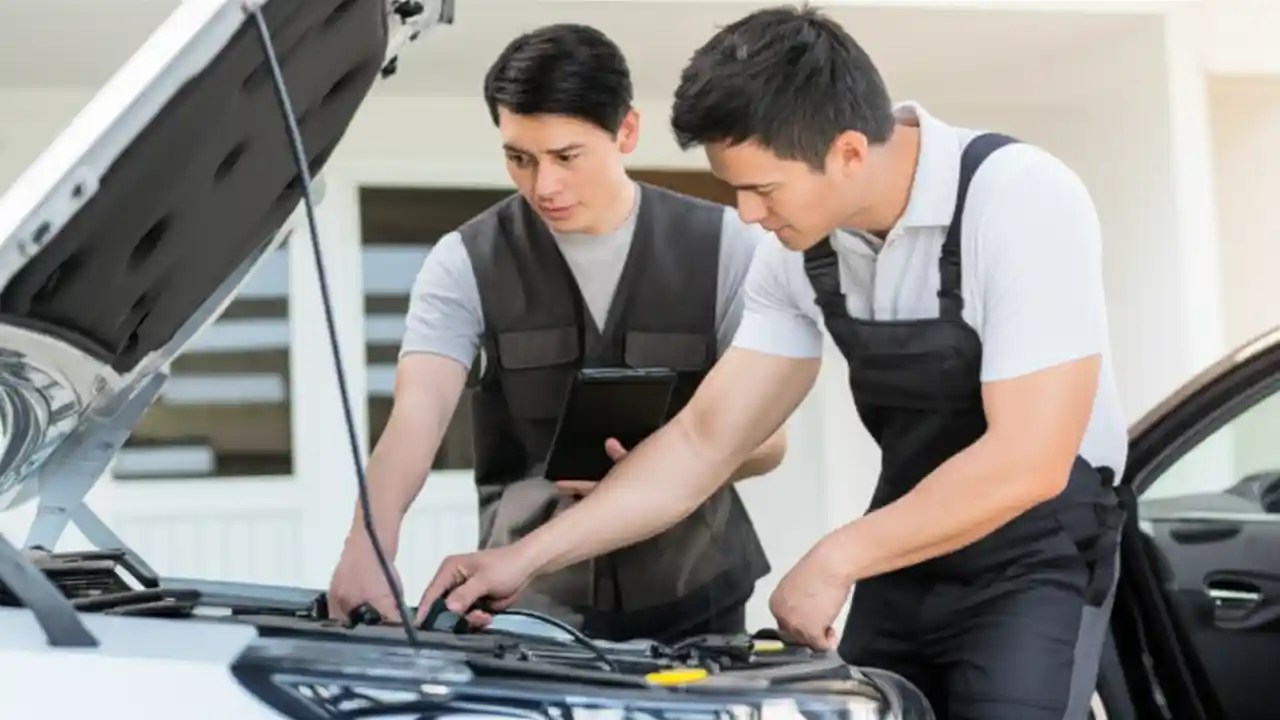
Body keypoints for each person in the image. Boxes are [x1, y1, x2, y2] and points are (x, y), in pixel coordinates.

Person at [420, 6, 1129, 719]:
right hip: (905, 544)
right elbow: (704, 441)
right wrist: (522, 559)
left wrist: (836, 557)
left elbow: (1030, 458)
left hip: (1036, 555)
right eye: (736, 190)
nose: (748, 216)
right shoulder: (801, 248)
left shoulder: (1017, 198)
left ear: (849, 152)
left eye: (763, 189)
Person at [326, 22, 785, 644]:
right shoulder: (462, 262)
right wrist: (367, 543)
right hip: (526, 600)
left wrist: (664, 457)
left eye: (566, 156)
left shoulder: (732, 247)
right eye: (519, 157)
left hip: (697, 591)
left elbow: (769, 441)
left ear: (626, 130)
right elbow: (417, 415)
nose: (544, 186)